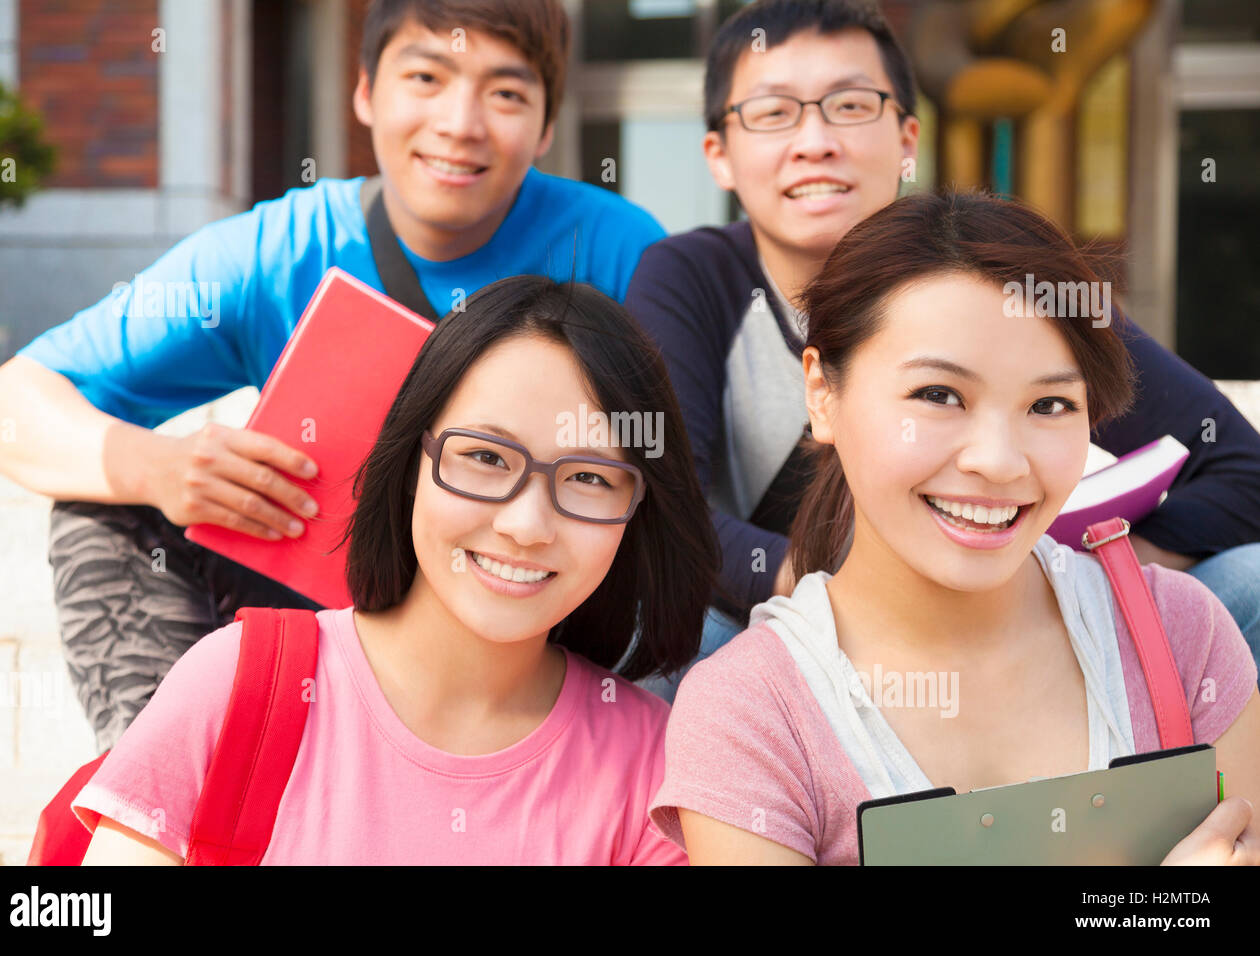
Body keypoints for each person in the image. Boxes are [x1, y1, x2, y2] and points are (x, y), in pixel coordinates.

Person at [0, 0, 666, 752]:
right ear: (365, 91)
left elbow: (675, 475)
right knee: (107, 506)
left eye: (506, 93)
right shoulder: (277, 249)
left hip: (519, 604)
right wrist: (164, 467)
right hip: (325, 602)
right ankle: (174, 779)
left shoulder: (619, 250)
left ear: (548, 123)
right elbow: (3, 406)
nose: (461, 122)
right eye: (427, 76)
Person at [626, 0, 1260, 702]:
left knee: (1252, 581)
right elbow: (662, 503)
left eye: (851, 105)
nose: (815, 140)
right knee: (668, 641)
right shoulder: (688, 278)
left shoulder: (1000, 265)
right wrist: (864, 597)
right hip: (785, 626)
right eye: (774, 112)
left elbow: (1242, 466)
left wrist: (1088, 570)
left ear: (908, 139)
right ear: (718, 153)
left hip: (1013, 615)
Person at [648, 190, 1260, 865]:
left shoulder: (1183, 637)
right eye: (939, 396)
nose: (998, 461)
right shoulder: (750, 715)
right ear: (822, 393)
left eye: (1049, 404)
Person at [72, 276, 718, 865]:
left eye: (586, 477)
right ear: (410, 463)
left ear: (637, 510)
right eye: (486, 459)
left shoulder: (654, 769)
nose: (526, 524)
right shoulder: (238, 680)